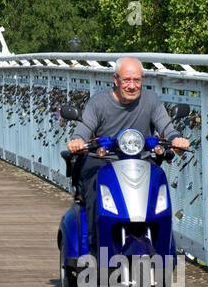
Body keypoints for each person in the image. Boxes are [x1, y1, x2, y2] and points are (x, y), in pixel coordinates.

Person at [66, 56, 190, 246]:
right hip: (103, 160)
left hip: (141, 160)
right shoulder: (98, 103)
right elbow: (84, 128)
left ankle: (163, 245)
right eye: (127, 80)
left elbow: (167, 127)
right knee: (95, 188)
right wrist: (77, 140)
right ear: (116, 79)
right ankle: (94, 245)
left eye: (137, 80)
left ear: (142, 80)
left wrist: (176, 140)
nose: (132, 86)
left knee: (158, 184)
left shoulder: (151, 100)